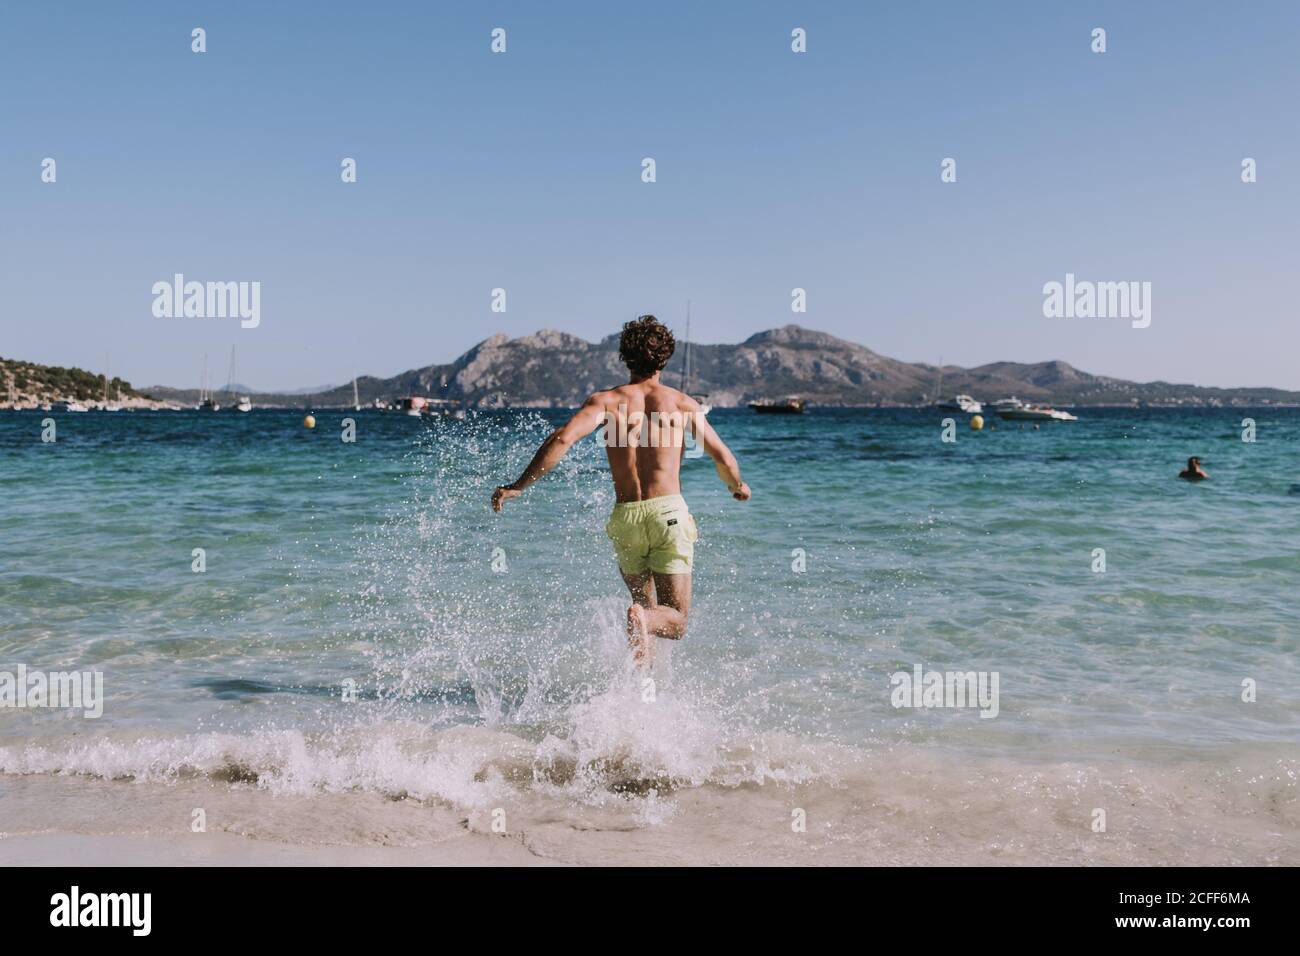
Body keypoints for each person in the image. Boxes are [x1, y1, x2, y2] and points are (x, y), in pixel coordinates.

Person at [492, 315, 750, 665]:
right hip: (668, 516)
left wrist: (518, 486)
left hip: (626, 517)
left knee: (642, 614)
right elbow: (723, 457)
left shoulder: (605, 402)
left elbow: (562, 439)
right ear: (666, 358)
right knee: (672, 619)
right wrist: (738, 487)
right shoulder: (682, 404)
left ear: (625, 357)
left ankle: (638, 702)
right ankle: (644, 626)